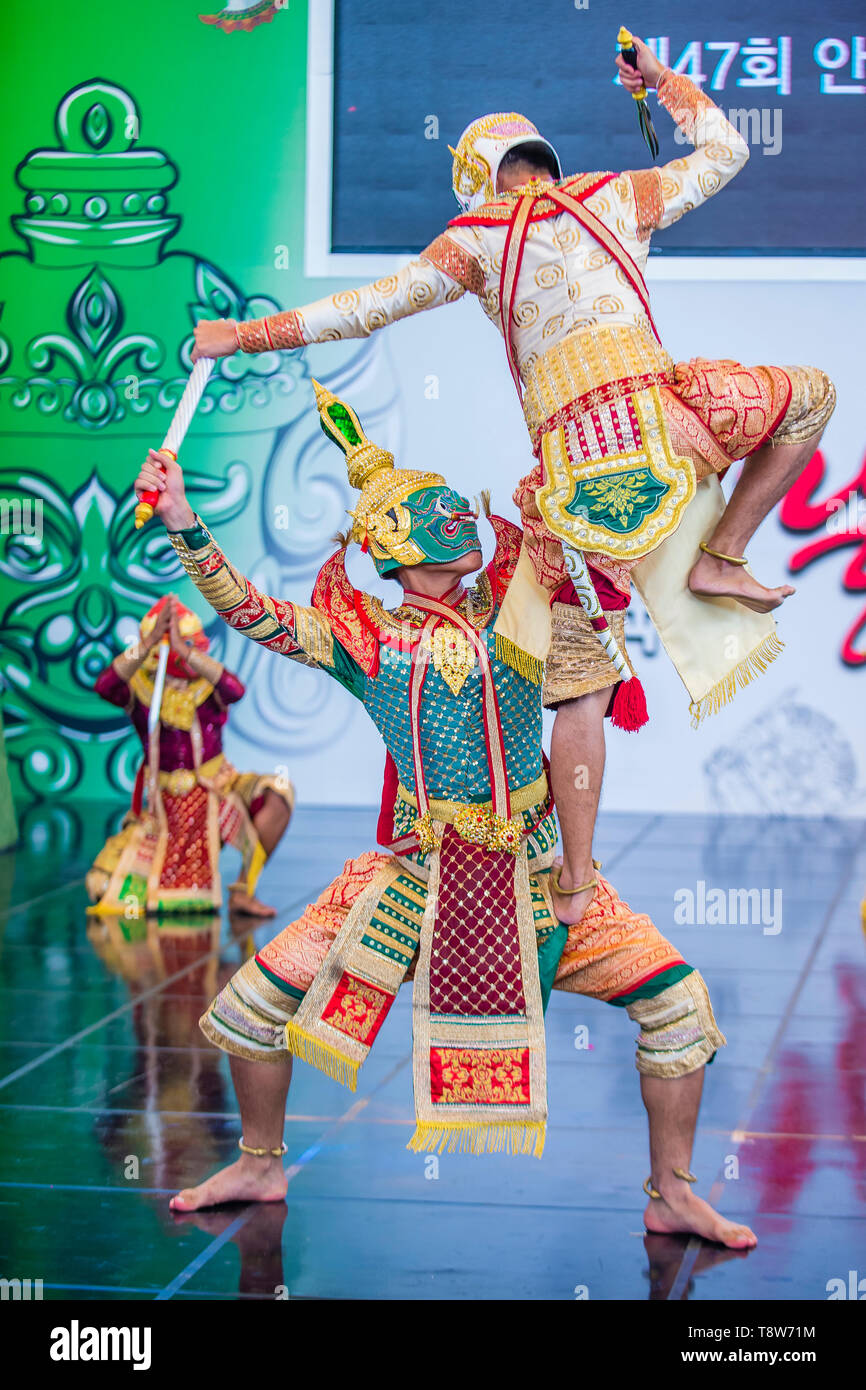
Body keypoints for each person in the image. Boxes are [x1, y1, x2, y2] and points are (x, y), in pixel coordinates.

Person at [188, 35, 835, 933]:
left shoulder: (475, 240)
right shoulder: (618, 193)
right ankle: (722, 556)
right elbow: (727, 151)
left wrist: (242, 336)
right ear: (543, 160)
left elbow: (363, 308)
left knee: (577, 682)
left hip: (573, 482)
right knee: (810, 400)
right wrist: (661, 84)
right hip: (668, 430)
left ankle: (572, 877)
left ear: (479, 182)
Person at [133, 380, 757, 1250]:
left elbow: (574, 562)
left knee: (681, 1008)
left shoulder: (519, 606)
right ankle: (262, 1160)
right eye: (434, 507)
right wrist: (180, 520)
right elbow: (251, 612)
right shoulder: (364, 638)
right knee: (246, 1009)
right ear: (394, 543)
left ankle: (673, 1192)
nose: (457, 512)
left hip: (537, 875)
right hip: (411, 880)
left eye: (450, 500)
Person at [86, 593, 294, 918]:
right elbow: (104, 686)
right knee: (107, 888)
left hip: (218, 787)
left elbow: (235, 690)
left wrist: (186, 654)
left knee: (278, 796)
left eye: (192, 644)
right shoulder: (140, 687)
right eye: (179, 646)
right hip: (166, 805)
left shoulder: (206, 683)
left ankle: (243, 892)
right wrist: (151, 641)